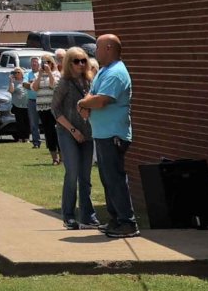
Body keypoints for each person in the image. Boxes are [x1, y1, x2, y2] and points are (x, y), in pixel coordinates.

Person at [79, 33, 138, 237]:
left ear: (109, 48)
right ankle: (116, 220)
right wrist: (86, 102)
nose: (95, 51)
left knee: (115, 179)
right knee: (107, 179)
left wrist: (82, 104)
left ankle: (127, 223)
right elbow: (91, 93)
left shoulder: (116, 73)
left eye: (97, 47)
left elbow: (101, 100)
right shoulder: (104, 71)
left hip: (114, 135)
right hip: (103, 134)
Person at [54, 47, 98, 228]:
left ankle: (88, 215)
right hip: (67, 131)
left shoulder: (90, 81)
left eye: (83, 60)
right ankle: (68, 215)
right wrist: (73, 130)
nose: (81, 64)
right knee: (72, 173)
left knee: (85, 176)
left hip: (87, 133)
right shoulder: (64, 83)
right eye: (76, 61)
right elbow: (55, 110)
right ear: (69, 63)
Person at [33, 53, 60, 159]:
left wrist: (49, 73)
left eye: (48, 62)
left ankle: (62, 156)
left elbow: (54, 85)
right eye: (43, 62)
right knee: (48, 132)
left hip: (54, 106)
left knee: (57, 131)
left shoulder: (56, 74)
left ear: (52, 63)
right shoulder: (37, 75)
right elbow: (35, 88)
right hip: (42, 107)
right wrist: (40, 75)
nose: (46, 64)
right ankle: (54, 157)